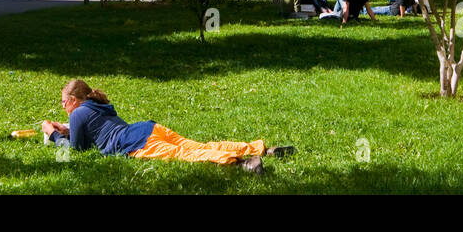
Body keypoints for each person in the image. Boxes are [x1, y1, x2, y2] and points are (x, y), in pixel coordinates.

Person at [40, 79, 291, 174]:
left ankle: (244, 163)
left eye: (64, 103)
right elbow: (93, 129)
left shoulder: (77, 114)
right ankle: (261, 148)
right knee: (197, 146)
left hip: (135, 144)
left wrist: (53, 136)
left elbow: (73, 153)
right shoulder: (95, 105)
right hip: (147, 129)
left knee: (190, 155)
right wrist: (68, 130)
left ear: (73, 100)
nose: (63, 108)